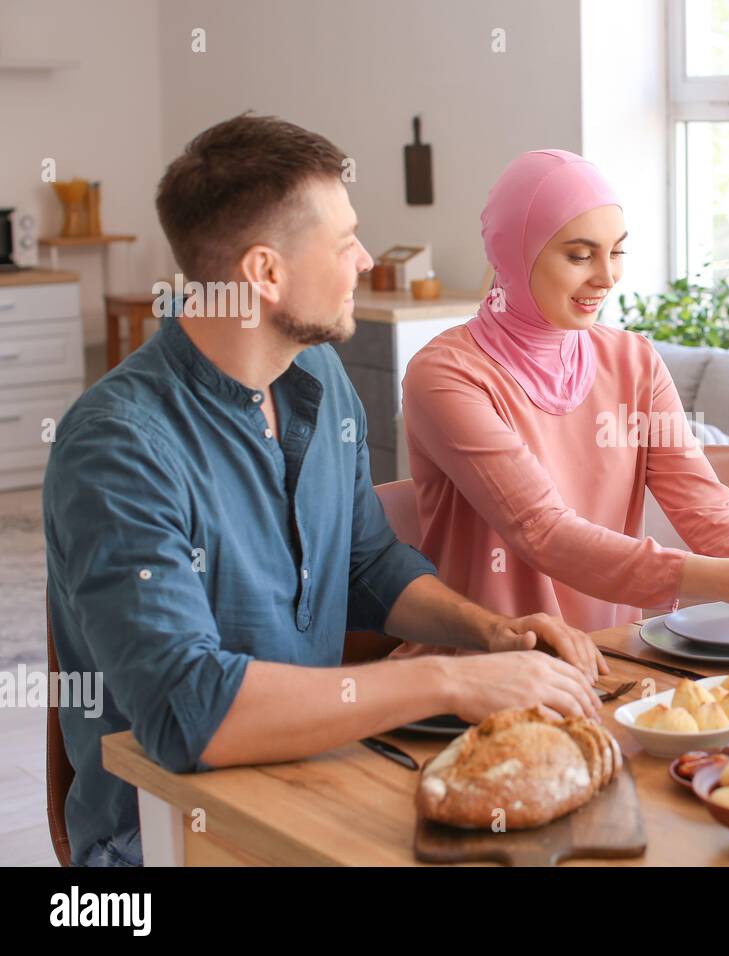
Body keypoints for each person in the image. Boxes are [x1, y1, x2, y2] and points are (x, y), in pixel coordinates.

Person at [43, 116, 605, 867]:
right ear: (265, 274)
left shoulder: (317, 378)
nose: (366, 260)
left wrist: (490, 633)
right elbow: (188, 713)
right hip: (172, 836)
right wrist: (448, 678)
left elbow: (366, 562)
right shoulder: (117, 446)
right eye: (346, 242)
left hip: (322, 780)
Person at [399, 149, 729, 664]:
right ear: (514, 252)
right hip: (488, 670)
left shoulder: (634, 362)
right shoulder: (447, 375)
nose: (607, 277)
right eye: (580, 255)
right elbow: (544, 532)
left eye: (617, 251)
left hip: (620, 657)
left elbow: (709, 515)